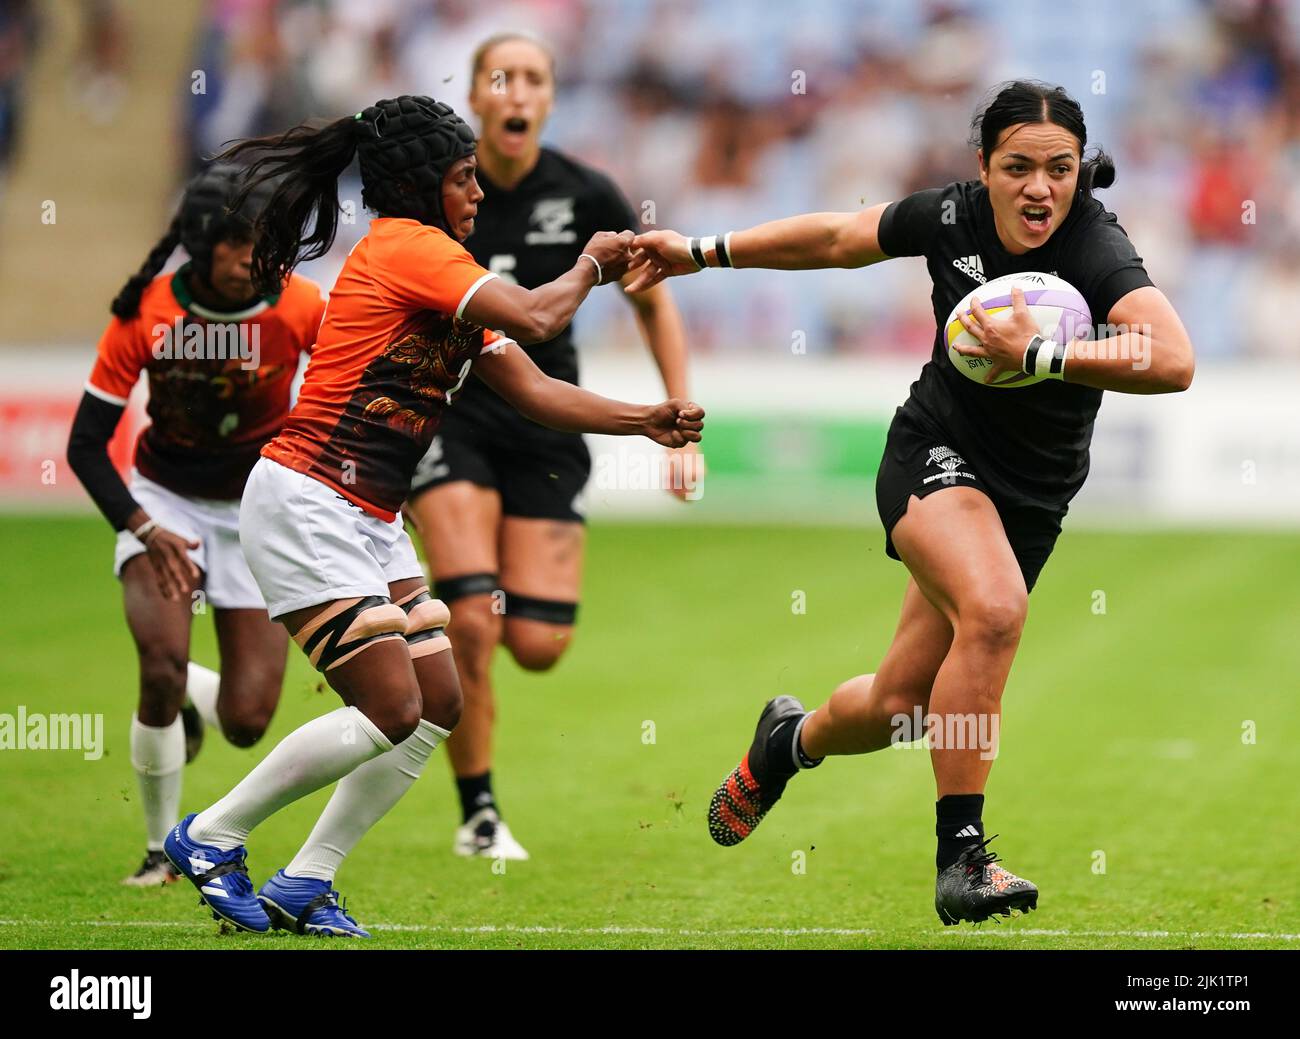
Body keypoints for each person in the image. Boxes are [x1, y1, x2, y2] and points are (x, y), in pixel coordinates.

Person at [627, 80, 1194, 925]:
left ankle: (789, 741)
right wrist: (701, 250)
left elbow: (1173, 357)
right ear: (984, 167)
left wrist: (1041, 352)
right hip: (934, 452)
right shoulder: (950, 217)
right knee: (995, 611)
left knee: (902, 708)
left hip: (1031, 499)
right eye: (1018, 167)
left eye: (1060, 168)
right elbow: (837, 236)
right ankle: (963, 856)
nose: (1040, 187)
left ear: (1080, 172)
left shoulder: (1094, 243)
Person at [160, 95, 704, 937]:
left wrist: (646, 417)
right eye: (462, 178)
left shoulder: (441, 266)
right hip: (309, 496)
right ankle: (211, 833)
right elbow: (536, 314)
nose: (478, 192)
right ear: (423, 185)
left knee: (438, 697)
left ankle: (307, 879)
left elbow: (532, 387)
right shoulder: (408, 249)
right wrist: (591, 264)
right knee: (391, 706)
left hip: (366, 514)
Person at [405, 32, 700, 862]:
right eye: (502, 77)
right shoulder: (439, 195)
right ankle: (480, 813)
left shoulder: (586, 193)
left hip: (547, 419)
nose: (518, 92)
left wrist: (675, 412)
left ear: (550, 100)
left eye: (534, 78)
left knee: (535, 642)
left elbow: (652, 299)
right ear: (476, 95)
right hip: (453, 410)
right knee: (472, 617)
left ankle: (439, 622)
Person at [66, 164, 326, 886]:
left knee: (247, 721)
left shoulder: (301, 305)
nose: (256, 259)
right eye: (242, 246)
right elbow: (85, 446)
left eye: (265, 244)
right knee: (158, 667)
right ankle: (158, 852)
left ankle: (191, 689)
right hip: (163, 504)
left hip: (254, 510)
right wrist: (143, 525)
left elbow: (345, 394)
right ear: (203, 247)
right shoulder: (145, 314)